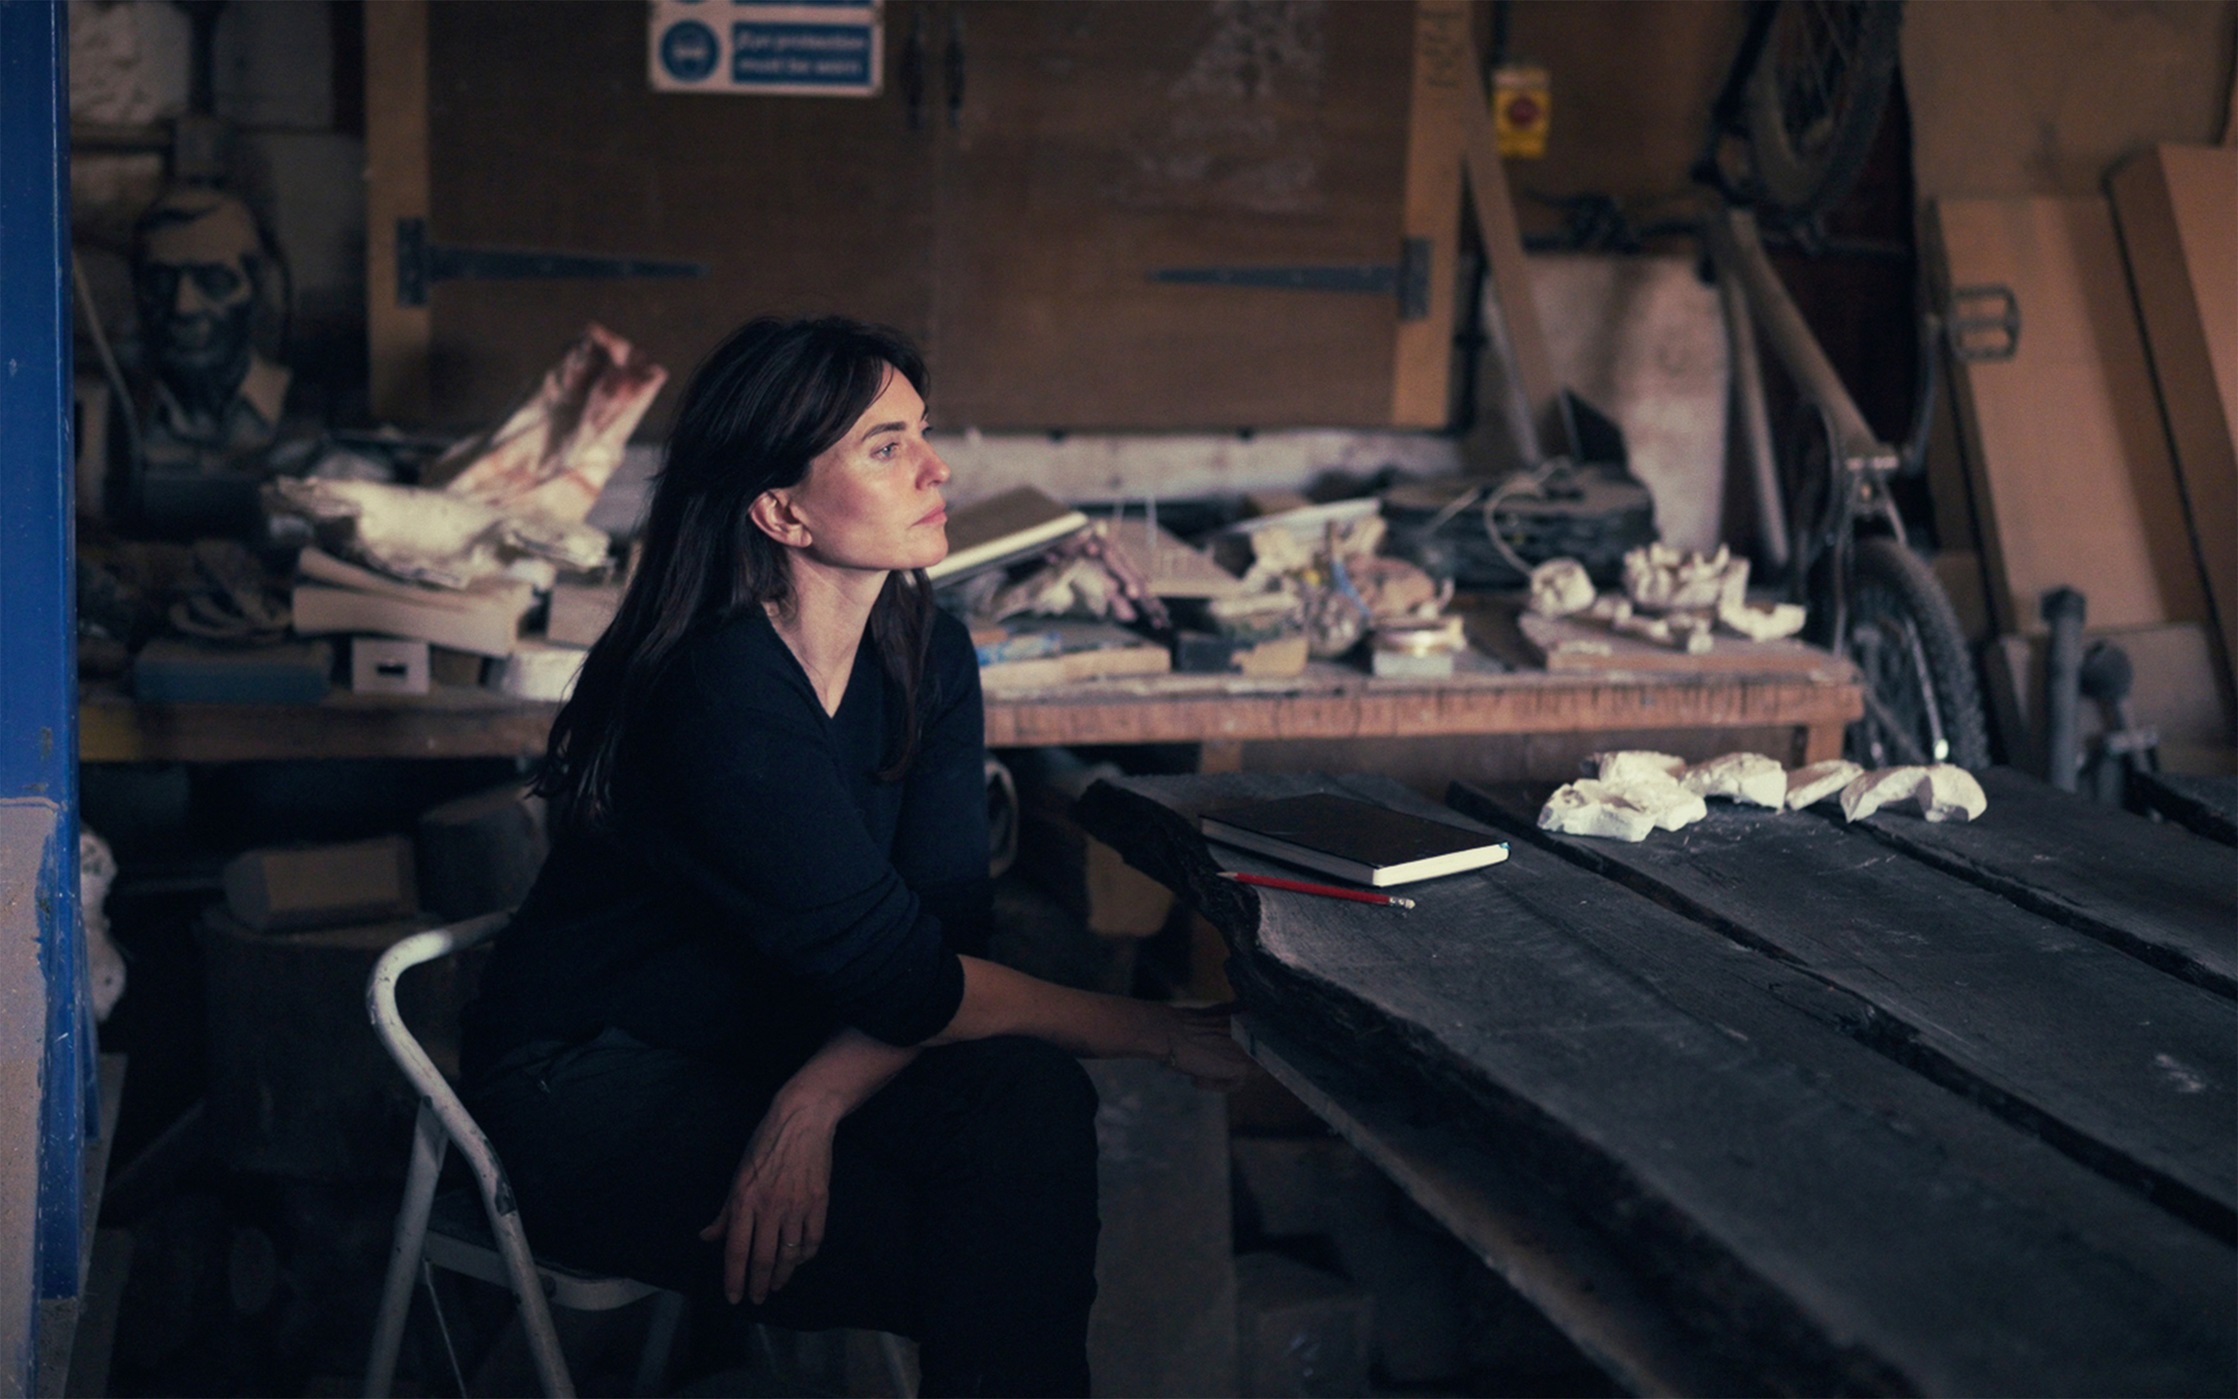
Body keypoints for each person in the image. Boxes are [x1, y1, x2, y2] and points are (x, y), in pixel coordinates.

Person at [461, 316, 1254, 1397]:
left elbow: (943, 935)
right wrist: (1162, 1034)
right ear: (781, 510)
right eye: (885, 448)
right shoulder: (720, 690)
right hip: (594, 1077)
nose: (937, 467)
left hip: (772, 1049)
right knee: (986, 1244)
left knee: (1027, 1107)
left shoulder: (924, 648)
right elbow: (910, 981)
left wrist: (817, 1098)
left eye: (921, 433)